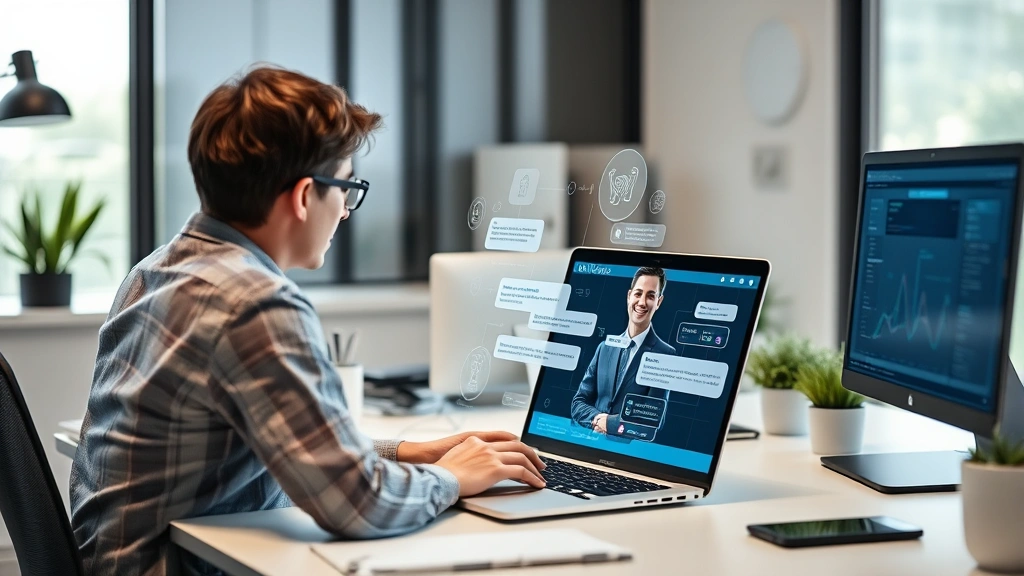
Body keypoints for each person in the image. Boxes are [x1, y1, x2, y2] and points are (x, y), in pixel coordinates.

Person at [69, 66, 545, 576]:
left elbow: (288, 447)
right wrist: (451, 479)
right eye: (346, 188)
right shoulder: (254, 303)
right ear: (302, 197)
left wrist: (411, 451)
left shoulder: (154, 271)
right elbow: (356, 505)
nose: (345, 212)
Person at [570, 267, 676, 435]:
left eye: (650, 296)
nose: (641, 302)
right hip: (590, 444)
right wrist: (598, 419)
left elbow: (653, 420)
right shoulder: (604, 348)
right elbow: (578, 402)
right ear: (629, 296)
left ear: (659, 302)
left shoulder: (665, 355)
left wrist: (610, 424)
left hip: (629, 452)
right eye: (638, 293)